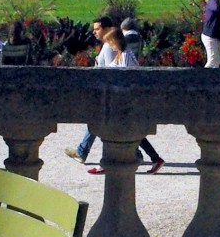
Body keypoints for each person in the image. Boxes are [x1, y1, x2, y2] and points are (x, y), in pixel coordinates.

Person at [68, 17, 164, 173]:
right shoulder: (121, 53)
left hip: (124, 99)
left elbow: (122, 76)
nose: (109, 46)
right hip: (122, 98)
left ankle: (107, 162)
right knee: (126, 129)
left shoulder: (123, 55)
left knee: (109, 127)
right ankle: (152, 158)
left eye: (110, 42)